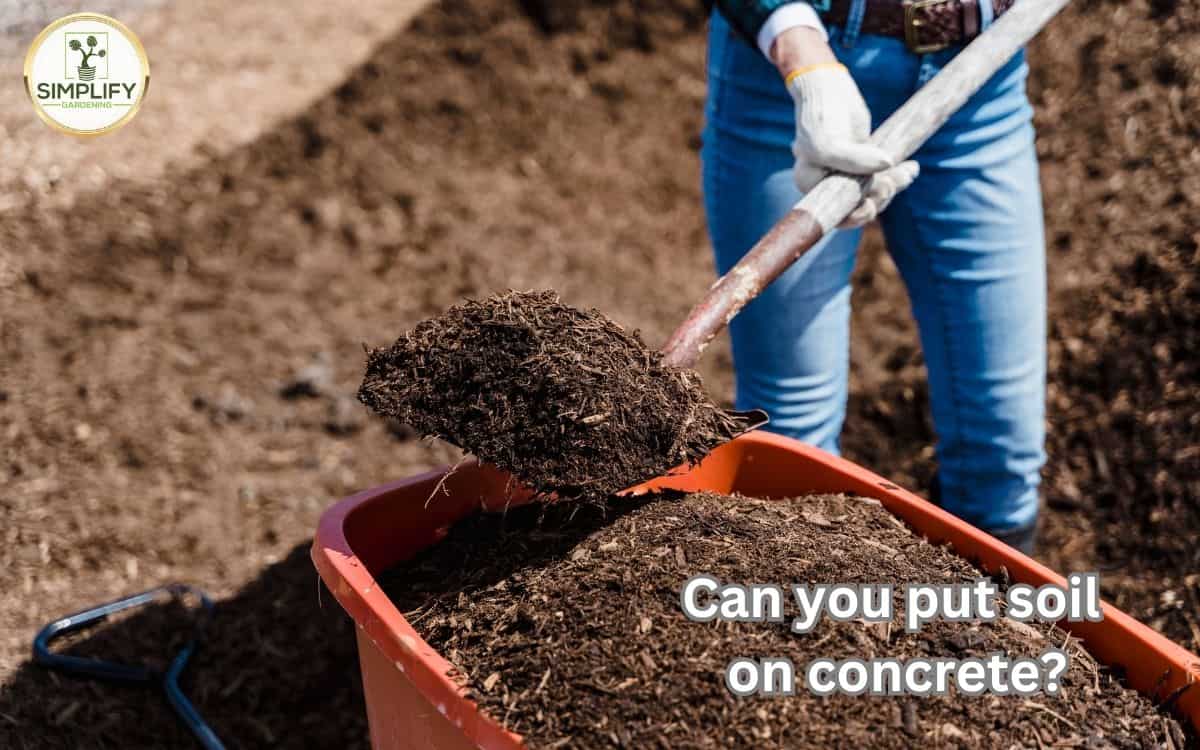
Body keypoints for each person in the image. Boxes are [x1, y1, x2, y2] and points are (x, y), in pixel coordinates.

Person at [704, 0, 1044, 553]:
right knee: (793, 440)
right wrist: (803, 59)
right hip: (794, 73)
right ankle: (796, 626)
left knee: (1003, 453)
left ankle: (987, 632)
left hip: (984, 71)